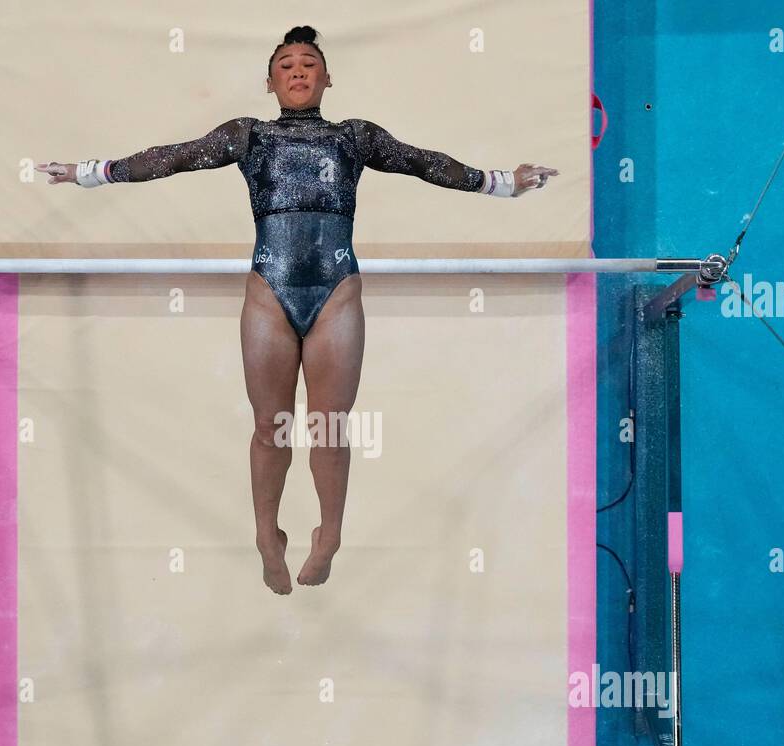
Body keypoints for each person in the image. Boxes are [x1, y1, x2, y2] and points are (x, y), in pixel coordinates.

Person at [40, 25, 557, 594]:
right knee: (271, 427)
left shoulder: (355, 137)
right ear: (269, 82)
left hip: (336, 293)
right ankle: (267, 536)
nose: (297, 71)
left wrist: (505, 183)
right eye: (285, 64)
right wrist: (90, 172)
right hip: (270, 292)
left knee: (329, 427)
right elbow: (175, 158)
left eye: (308, 62)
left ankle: (329, 535)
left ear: (328, 77)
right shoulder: (249, 135)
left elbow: (424, 163)